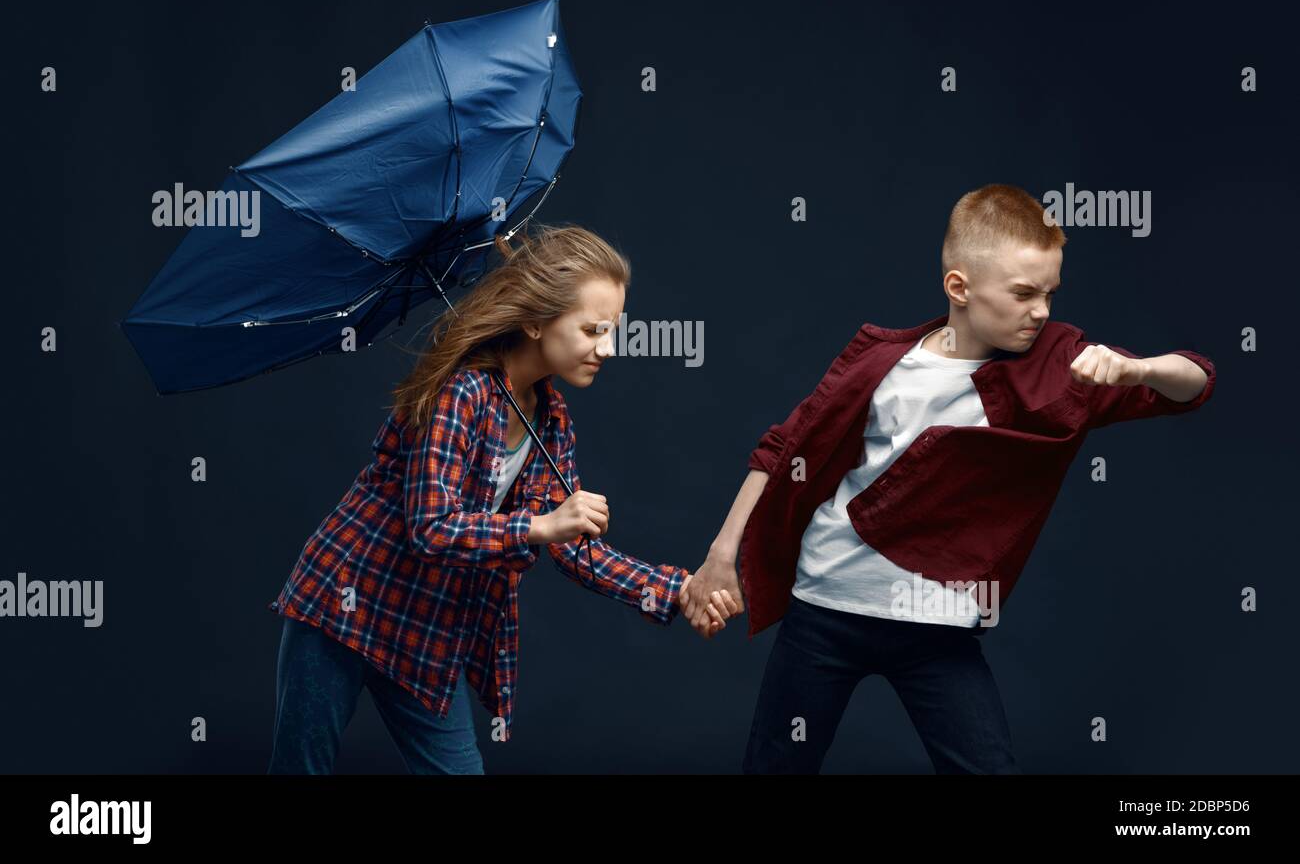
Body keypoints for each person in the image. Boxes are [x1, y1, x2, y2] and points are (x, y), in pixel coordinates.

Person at [686, 184, 1216, 773]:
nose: (1041, 310)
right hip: (826, 607)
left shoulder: (1061, 366)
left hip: (936, 628)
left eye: (1049, 293)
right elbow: (782, 449)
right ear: (959, 287)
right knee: (774, 766)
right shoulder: (883, 364)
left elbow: (1193, 381)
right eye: (1022, 293)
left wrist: (1135, 367)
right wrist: (720, 555)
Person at [266, 222, 724, 774]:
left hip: (425, 628)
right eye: (593, 329)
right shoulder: (461, 393)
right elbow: (431, 526)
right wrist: (539, 527)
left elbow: (573, 547)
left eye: (614, 331)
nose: (607, 348)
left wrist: (678, 590)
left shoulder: (550, 423)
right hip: (344, 603)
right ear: (534, 321)